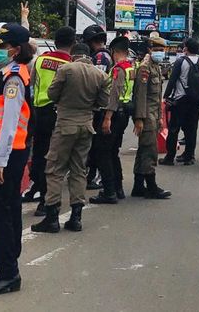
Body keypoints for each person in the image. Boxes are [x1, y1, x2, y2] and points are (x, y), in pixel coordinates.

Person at [31, 44, 109, 234]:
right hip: (86, 124)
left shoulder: (66, 69)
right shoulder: (100, 75)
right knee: (79, 170)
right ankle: (76, 217)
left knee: (55, 169)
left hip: (65, 123)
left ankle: (51, 217)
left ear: (73, 56)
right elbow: (103, 101)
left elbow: (52, 94)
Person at [0, 24, 34, 295]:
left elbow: (9, 123)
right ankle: (9, 266)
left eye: (2, 47)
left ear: (15, 50)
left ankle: (8, 273)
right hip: (8, 152)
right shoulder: (8, 73)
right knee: (8, 210)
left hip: (5, 153)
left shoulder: (14, 78)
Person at [26, 27, 75, 217]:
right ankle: (49, 200)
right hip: (60, 114)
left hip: (39, 112)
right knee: (56, 158)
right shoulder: (70, 63)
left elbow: (32, 83)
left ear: (55, 41)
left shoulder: (40, 60)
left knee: (39, 154)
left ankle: (38, 191)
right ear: (73, 43)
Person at [89, 36, 135, 204]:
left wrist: (107, 118)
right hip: (123, 114)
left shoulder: (118, 69)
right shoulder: (130, 67)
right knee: (113, 152)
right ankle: (118, 188)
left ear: (115, 52)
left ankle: (109, 191)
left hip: (113, 114)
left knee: (102, 152)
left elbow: (113, 95)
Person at [131, 36, 171, 199]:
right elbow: (140, 95)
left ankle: (138, 185)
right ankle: (151, 185)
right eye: (157, 50)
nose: (160, 53)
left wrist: (160, 117)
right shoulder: (145, 68)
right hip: (146, 115)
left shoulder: (155, 66)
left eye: (162, 51)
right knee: (150, 150)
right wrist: (139, 119)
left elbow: (157, 96)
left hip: (153, 114)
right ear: (149, 50)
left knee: (143, 150)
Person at [162, 38, 199, 166]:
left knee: (174, 129)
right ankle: (189, 156)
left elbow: (172, 80)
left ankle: (170, 157)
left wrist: (166, 96)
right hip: (196, 101)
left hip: (180, 99)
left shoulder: (181, 62)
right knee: (191, 128)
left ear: (185, 48)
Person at [83, 24, 113, 191]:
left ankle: (94, 176)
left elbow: (96, 82)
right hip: (102, 107)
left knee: (96, 145)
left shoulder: (100, 57)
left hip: (99, 108)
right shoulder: (105, 55)